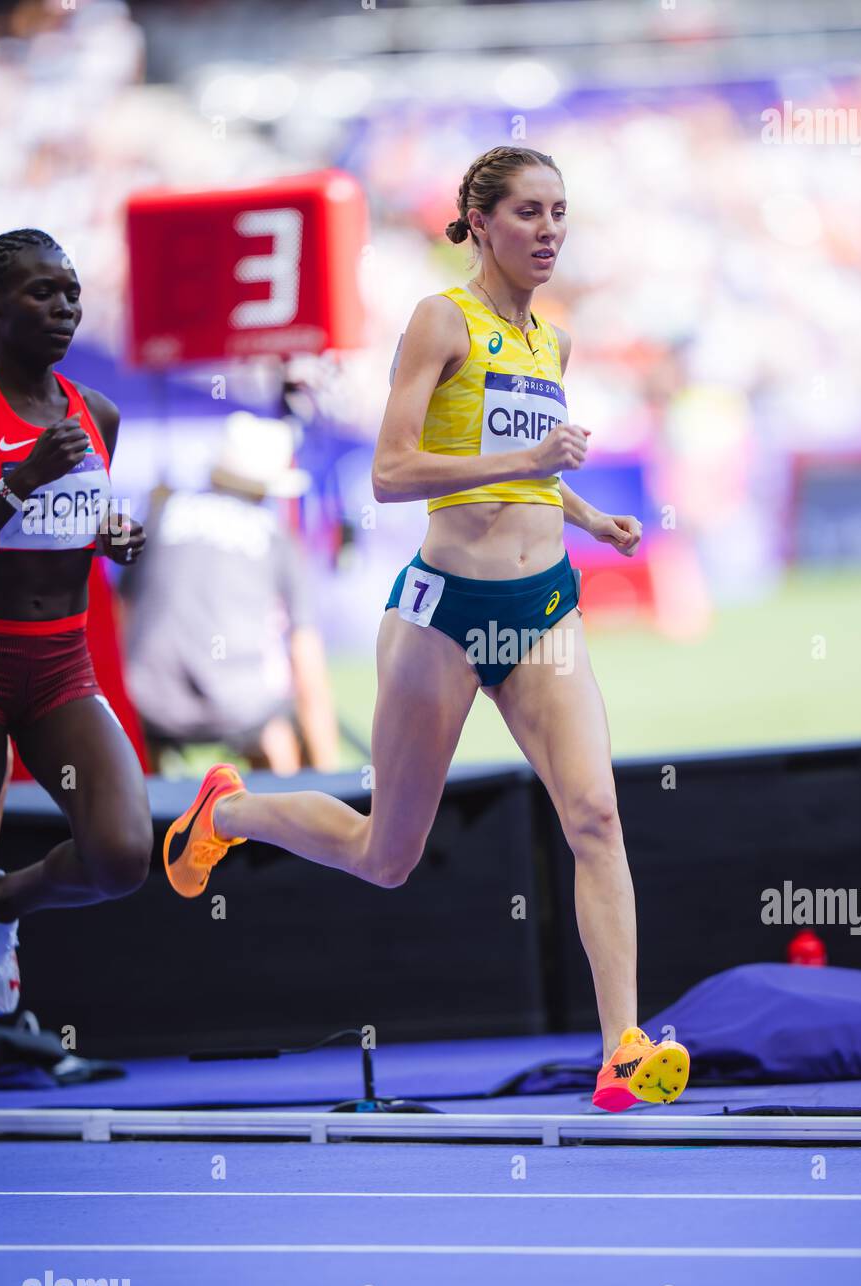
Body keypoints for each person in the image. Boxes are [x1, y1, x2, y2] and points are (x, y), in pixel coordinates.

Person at [163, 146, 690, 1111]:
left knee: (597, 816)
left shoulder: (553, 342)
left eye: (560, 213)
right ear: (479, 222)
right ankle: (226, 813)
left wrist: (582, 515)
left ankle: (621, 1048)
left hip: (544, 612)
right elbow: (393, 472)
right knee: (387, 857)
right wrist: (527, 454)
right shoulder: (442, 320)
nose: (549, 231)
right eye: (529, 212)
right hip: (444, 614)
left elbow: (521, 469)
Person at [0, 228, 153, 1015]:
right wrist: (24, 480)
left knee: (120, 854)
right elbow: (18, 503)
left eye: (72, 292)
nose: (63, 308)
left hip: (60, 666)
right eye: (41, 292)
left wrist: (110, 537)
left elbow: (72, 525)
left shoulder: (99, 415)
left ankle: (0, 910)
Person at [118, 411, 342, 776]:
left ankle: (151, 817)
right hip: (240, 706)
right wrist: (332, 776)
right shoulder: (275, 535)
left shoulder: (160, 512)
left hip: (148, 701)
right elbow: (306, 654)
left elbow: (121, 610)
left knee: (143, 764)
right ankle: (290, 817)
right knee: (280, 737)